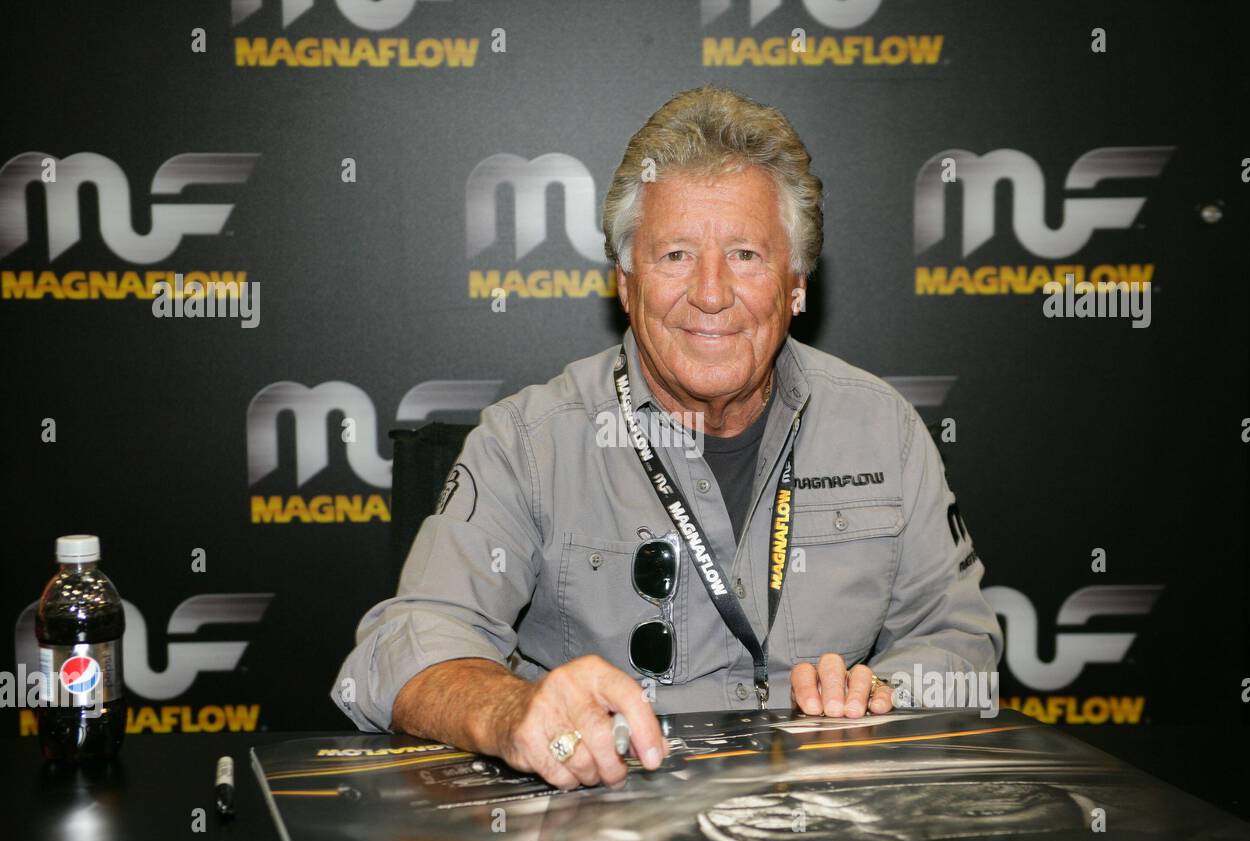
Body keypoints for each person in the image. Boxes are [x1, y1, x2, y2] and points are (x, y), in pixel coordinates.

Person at [332, 85, 1003, 791]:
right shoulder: (530, 443)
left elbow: (960, 642)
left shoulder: (883, 429)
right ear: (625, 282)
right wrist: (513, 709)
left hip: (824, 819)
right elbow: (399, 653)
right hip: (603, 823)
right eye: (676, 254)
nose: (710, 294)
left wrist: (882, 693)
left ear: (796, 283)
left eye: (745, 254)